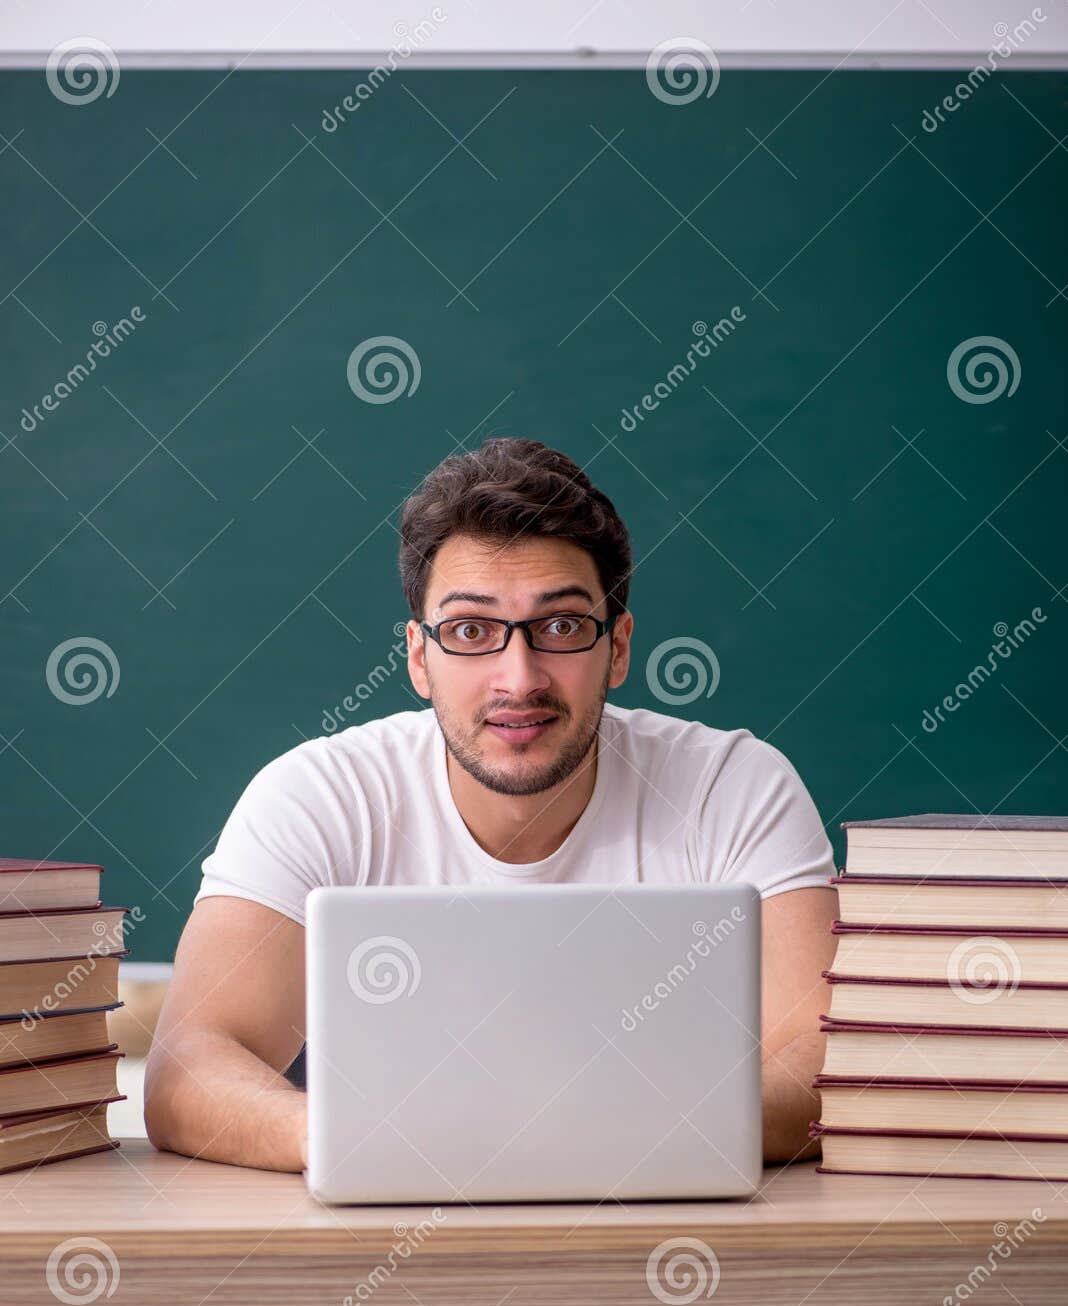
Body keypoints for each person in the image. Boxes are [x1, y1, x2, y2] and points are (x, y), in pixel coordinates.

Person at [145, 437, 837, 1174]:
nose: (519, 677)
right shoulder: (317, 797)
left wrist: (563, 1139)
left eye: (562, 626)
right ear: (419, 657)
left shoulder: (735, 787)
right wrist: (355, 1143)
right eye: (472, 630)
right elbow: (188, 1068)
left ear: (619, 647)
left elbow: (825, 1068)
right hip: (384, 1238)